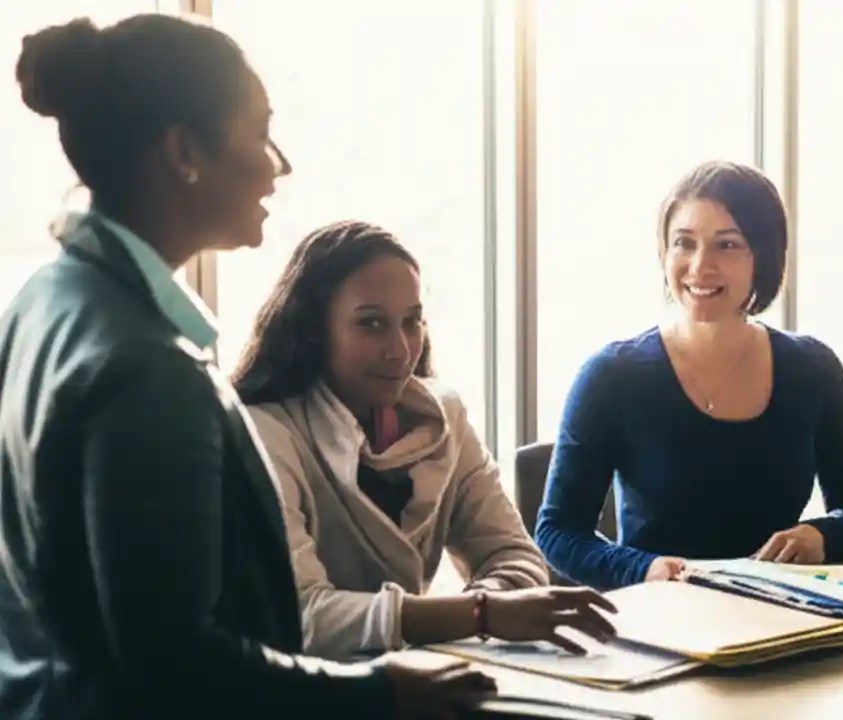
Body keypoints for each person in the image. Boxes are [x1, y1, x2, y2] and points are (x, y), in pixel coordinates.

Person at [0, 14, 493, 719]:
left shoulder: (44, 301)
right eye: (260, 131)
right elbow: (176, 662)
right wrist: (382, 692)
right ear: (184, 153)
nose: (277, 164)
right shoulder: (146, 371)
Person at [231, 220, 618, 660]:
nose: (399, 349)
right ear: (313, 328)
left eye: (412, 321)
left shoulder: (444, 416)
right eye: (372, 324)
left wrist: (488, 605)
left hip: (418, 681)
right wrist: (480, 614)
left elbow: (513, 554)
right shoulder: (263, 433)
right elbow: (299, 614)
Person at [536, 160, 843, 590]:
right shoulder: (612, 375)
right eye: (684, 243)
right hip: (662, 625)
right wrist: (642, 568)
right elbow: (558, 532)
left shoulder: (813, 369)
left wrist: (821, 535)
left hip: (782, 619)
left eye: (728, 245)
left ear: (765, 255)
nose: (700, 266)